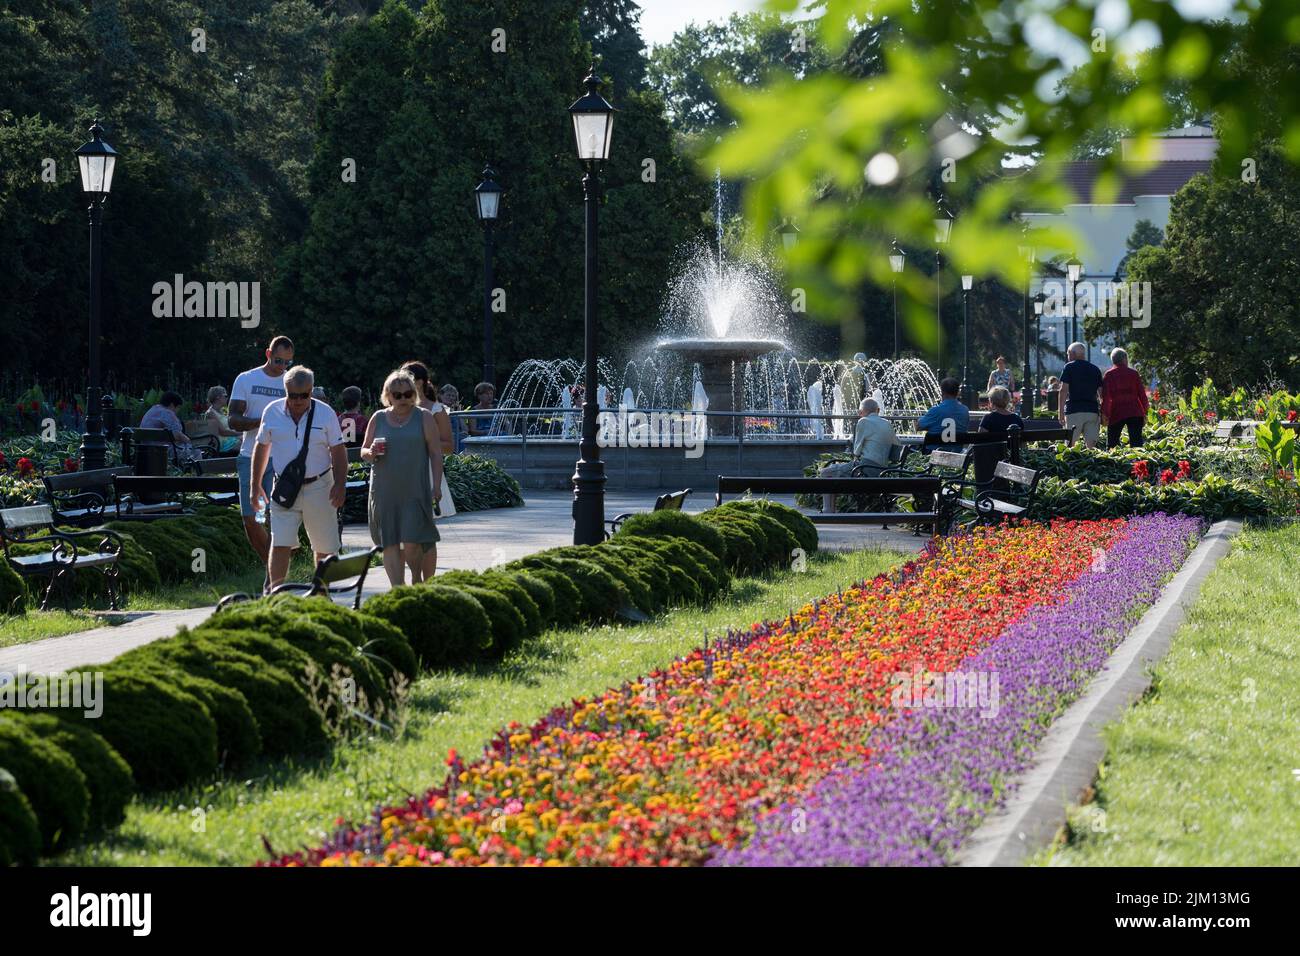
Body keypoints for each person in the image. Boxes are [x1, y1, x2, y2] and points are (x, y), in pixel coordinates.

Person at [250, 366, 347, 590]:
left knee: (324, 547)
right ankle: (275, 594)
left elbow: (339, 451)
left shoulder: (325, 413)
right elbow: (262, 447)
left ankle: (321, 595)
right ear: (285, 391)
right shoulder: (272, 411)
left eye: (303, 395)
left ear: (311, 391)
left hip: (320, 485)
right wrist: (255, 486)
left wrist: (340, 484)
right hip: (285, 487)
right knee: (280, 543)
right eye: (293, 395)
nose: (298, 400)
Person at [362, 369, 442, 586]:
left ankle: (416, 579)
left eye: (408, 393)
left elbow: (436, 452)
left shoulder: (423, 417)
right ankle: (398, 589)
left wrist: (437, 485)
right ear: (388, 395)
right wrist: (371, 452)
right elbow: (364, 451)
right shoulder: (378, 418)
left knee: (412, 541)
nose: (403, 398)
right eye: (397, 395)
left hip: (415, 489)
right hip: (384, 491)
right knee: (390, 543)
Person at [229, 335, 293, 568]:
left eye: (287, 363)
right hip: (251, 455)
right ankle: (275, 567)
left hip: (283, 458)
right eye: (278, 360)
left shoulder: (291, 382)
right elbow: (233, 420)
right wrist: (262, 422)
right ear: (268, 354)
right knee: (251, 518)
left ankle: (275, 574)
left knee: (275, 518)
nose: (282, 367)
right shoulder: (246, 379)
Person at [818, 398, 899, 514]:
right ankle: (830, 509)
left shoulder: (863, 421)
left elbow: (856, 451)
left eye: (859, 413)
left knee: (826, 472)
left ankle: (827, 510)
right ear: (878, 410)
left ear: (861, 412)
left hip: (865, 469)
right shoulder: (887, 423)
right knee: (835, 473)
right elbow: (895, 454)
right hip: (882, 471)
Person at [1101, 347, 1149, 447]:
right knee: (1137, 444)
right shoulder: (1134, 374)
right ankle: (1138, 462)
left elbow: (1106, 398)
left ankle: (1113, 461)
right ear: (1125, 359)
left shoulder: (1109, 375)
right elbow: (1142, 395)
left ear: (1113, 360)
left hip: (1117, 412)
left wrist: (1105, 414)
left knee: (1112, 443)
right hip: (1135, 411)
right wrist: (1144, 412)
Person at [1058, 342, 1103, 448]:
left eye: (1068, 354)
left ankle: (1070, 464)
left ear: (1072, 353)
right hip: (1092, 411)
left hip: (1073, 411)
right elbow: (1101, 394)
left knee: (1070, 446)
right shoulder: (1095, 369)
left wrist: (1060, 413)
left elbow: (1063, 391)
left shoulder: (1068, 367)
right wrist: (1102, 413)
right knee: (1091, 447)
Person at [202, 386, 241, 454]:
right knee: (249, 444)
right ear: (218, 397)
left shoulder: (222, 411)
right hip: (221, 444)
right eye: (225, 396)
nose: (227, 398)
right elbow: (223, 432)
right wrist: (241, 433)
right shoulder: (210, 413)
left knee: (250, 441)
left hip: (230, 439)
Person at [440, 384, 466, 452]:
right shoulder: (436, 409)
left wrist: (459, 413)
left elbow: (465, 430)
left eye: (453, 396)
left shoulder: (454, 411)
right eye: (448, 395)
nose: (451, 398)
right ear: (441, 396)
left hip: (457, 437)